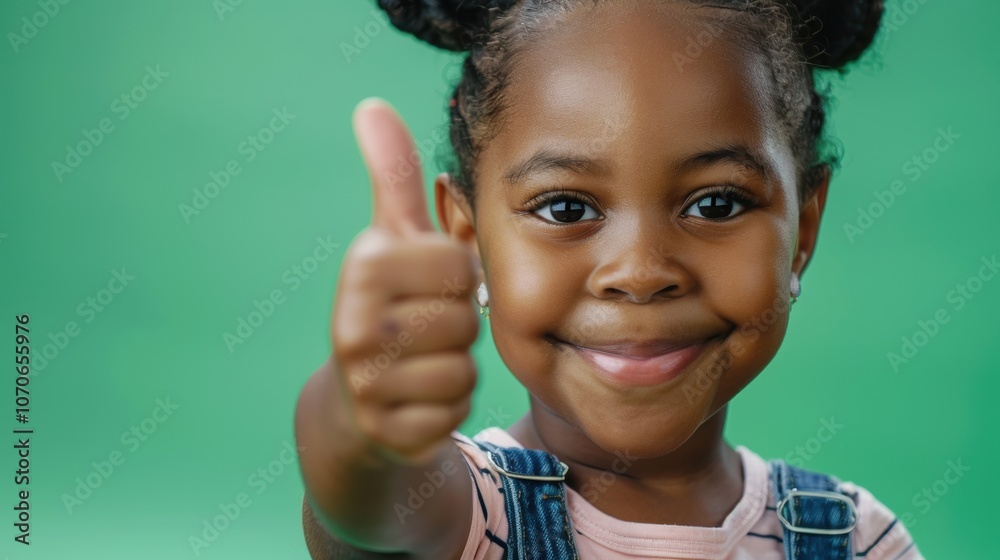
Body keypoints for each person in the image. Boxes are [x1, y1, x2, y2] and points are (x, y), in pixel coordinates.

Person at [294, 0, 923, 558]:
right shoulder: (468, 515)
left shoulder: (858, 539)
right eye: (566, 208)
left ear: (802, 233)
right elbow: (367, 512)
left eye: (717, 204)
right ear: (469, 240)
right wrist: (357, 425)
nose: (641, 272)